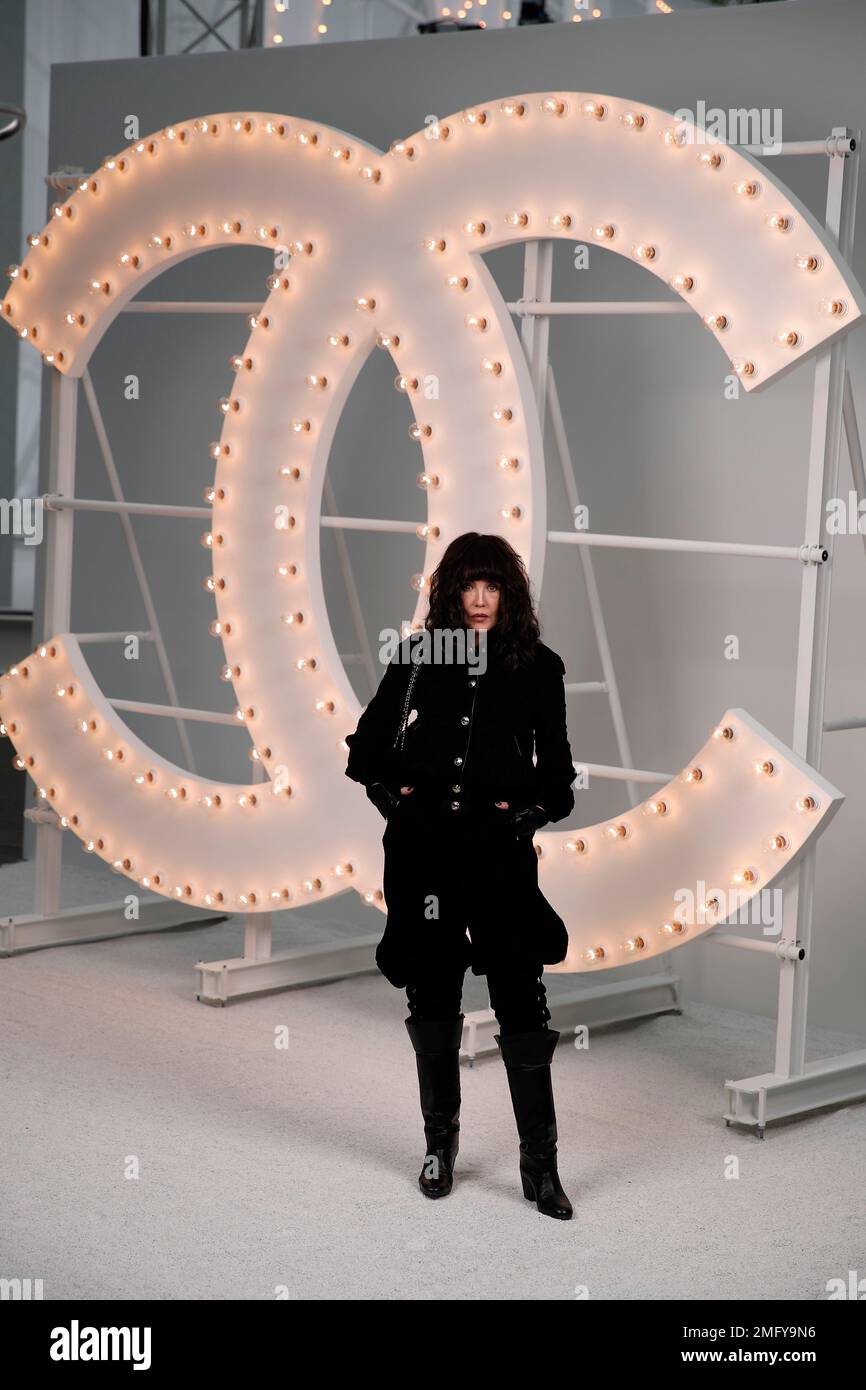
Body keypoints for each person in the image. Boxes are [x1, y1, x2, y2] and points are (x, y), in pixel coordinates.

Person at [344, 532, 577, 1219]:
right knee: (433, 999)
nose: (480, 600)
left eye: (494, 585)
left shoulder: (538, 666)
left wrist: (523, 814)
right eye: (469, 586)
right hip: (424, 857)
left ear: (510, 594)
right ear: (450, 593)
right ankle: (438, 1147)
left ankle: (541, 1164)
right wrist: (398, 801)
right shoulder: (419, 657)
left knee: (521, 1004)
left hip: (498, 857)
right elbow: (366, 750)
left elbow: (558, 777)